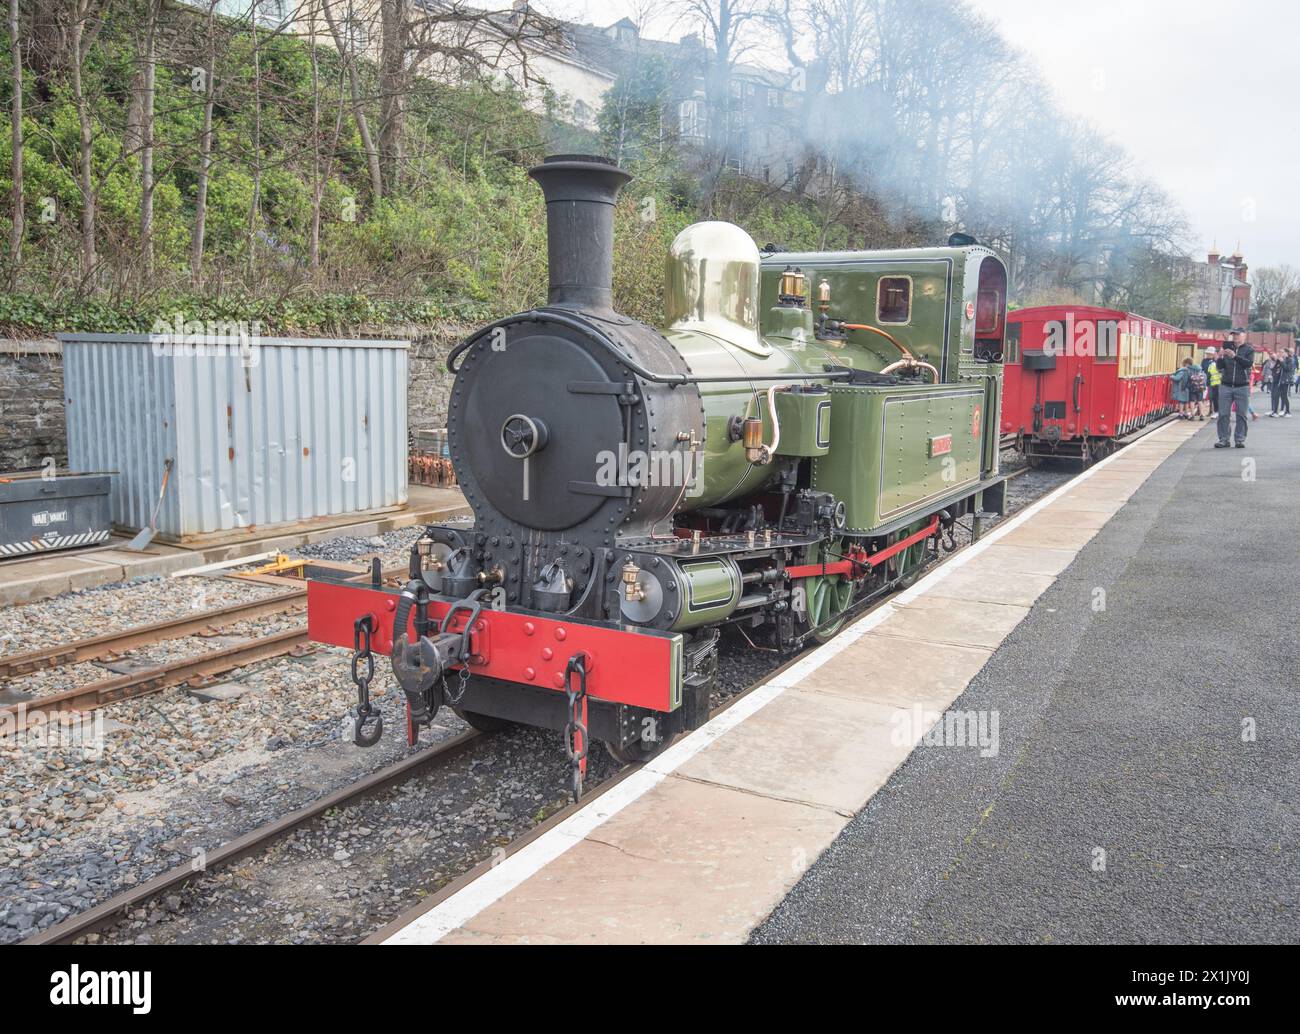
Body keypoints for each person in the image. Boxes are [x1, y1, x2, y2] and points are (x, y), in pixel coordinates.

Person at [1215, 329, 1254, 447]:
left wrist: (1235, 356)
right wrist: (1220, 357)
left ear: (1244, 336)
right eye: (1234, 335)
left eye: (1238, 334)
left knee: (1241, 414)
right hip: (1226, 385)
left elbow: (1248, 363)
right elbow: (1220, 367)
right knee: (1223, 414)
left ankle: (1239, 439)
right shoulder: (1227, 348)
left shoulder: (1249, 349)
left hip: (1242, 386)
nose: (1235, 337)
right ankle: (1223, 439)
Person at [1271, 347, 1294, 417]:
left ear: (1286, 353)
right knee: (1276, 395)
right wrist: (1275, 362)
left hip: (1286, 381)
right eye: (1280, 352)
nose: (1281, 354)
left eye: (1282, 352)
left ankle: (1288, 412)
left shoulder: (1290, 360)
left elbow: (1287, 368)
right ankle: (1275, 412)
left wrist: (1282, 361)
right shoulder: (1281, 360)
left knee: (1284, 397)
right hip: (1280, 381)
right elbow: (1275, 368)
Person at [1202, 347, 1221, 414]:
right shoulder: (1204, 361)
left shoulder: (1217, 361)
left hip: (1215, 382)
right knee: (1208, 397)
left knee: (1214, 397)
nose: (1208, 355)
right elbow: (1202, 370)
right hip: (1206, 381)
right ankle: (1209, 410)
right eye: (1207, 353)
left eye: (1209, 353)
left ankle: (1214, 410)